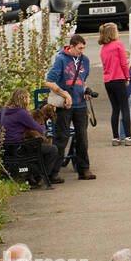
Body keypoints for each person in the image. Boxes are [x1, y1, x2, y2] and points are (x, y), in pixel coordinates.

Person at [45, 33, 95, 180]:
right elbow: (49, 82)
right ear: (71, 47)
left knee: (82, 137)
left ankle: (84, 169)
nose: (81, 51)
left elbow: (82, 80)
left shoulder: (84, 60)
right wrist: (65, 94)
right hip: (65, 105)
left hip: (80, 103)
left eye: (83, 48)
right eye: (79, 48)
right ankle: (53, 173)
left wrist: (86, 91)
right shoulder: (61, 59)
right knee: (61, 138)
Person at [0, 87, 61, 184]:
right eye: (28, 98)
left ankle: (32, 178)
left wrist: (9, 124)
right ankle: (39, 175)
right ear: (23, 99)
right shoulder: (21, 113)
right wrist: (43, 124)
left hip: (6, 148)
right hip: (19, 148)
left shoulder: (4, 110)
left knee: (39, 147)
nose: (29, 100)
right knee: (52, 149)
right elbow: (40, 129)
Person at [99, 23, 131, 146]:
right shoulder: (118, 45)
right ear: (112, 33)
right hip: (119, 79)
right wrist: (127, 77)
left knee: (115, 109)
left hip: (108, 81)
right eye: (116, 31)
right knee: (124, 108)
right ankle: (128, 137)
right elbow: (123, 64)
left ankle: (115, 138)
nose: (118, 33)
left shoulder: (103, 48)